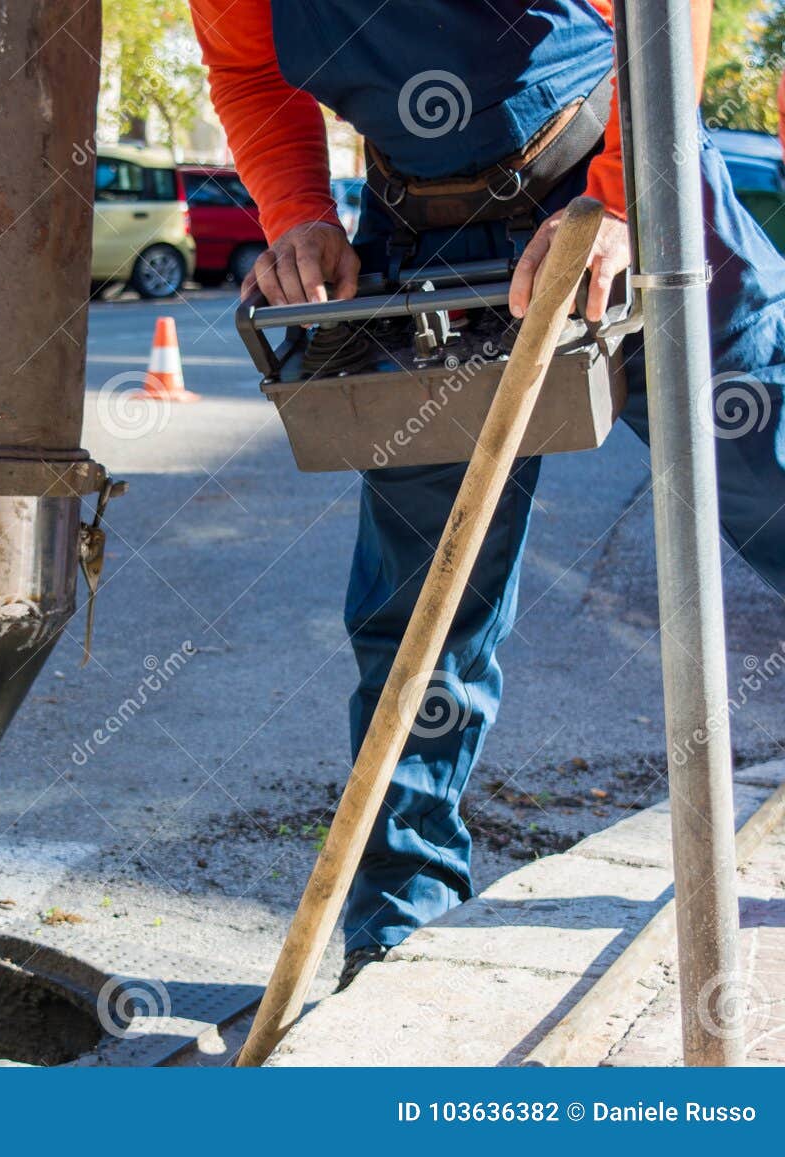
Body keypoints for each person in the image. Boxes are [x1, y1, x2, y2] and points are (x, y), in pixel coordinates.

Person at [187, 0, 785, 986]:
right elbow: (250, 75)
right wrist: (296, 215)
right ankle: (397, 921)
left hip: (632, 187)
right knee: (420, 600)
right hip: (429, 246)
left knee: (769, 473)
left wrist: (625, 202)